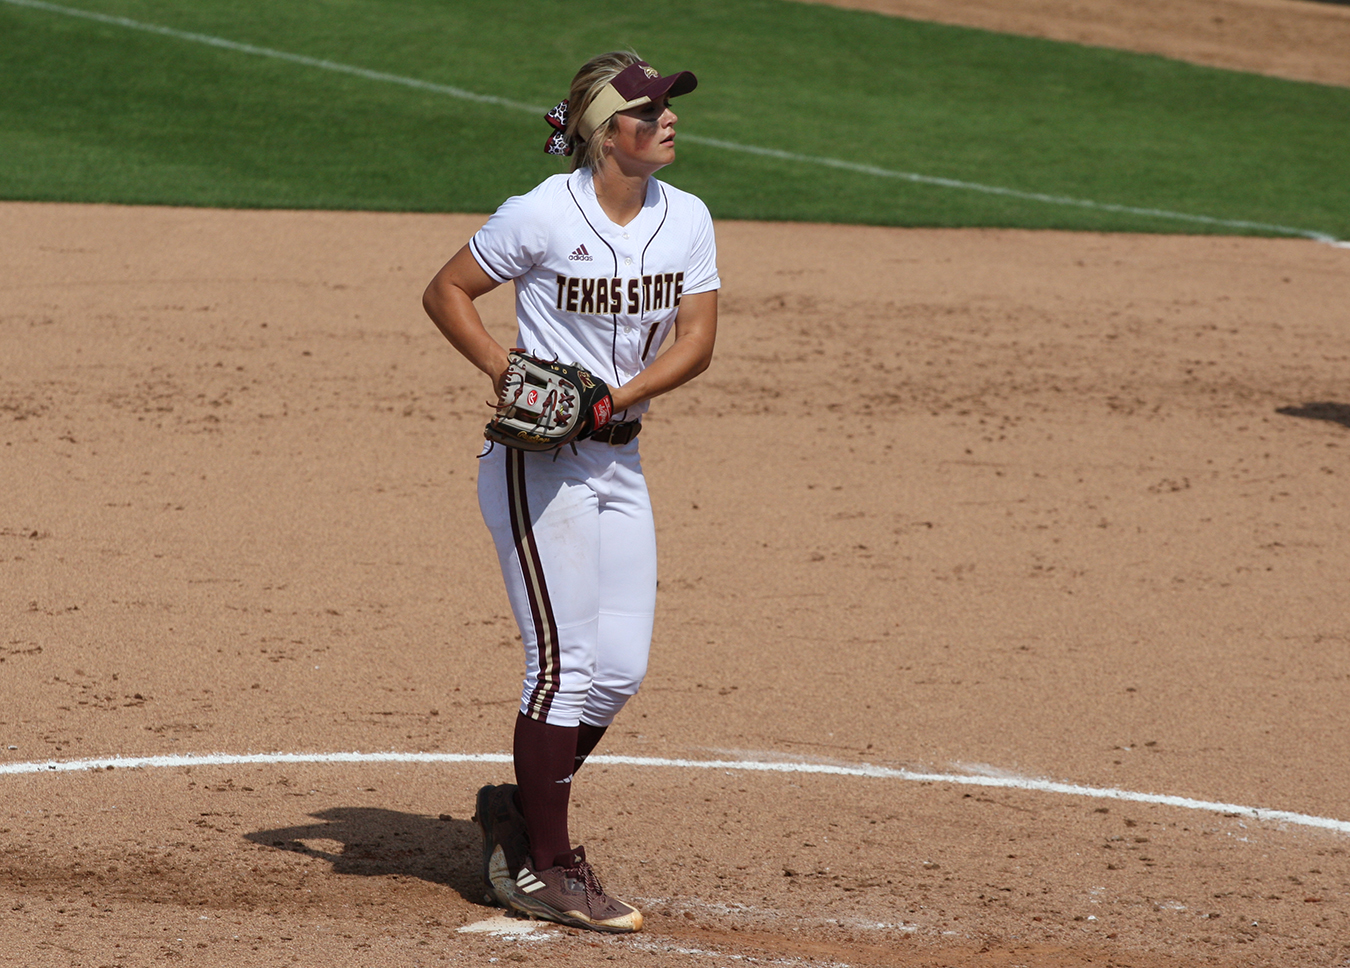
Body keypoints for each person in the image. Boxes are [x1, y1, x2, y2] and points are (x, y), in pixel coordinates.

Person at [422, 51, 719, 933]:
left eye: (668, 106)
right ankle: (545, 865)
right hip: (537, 465)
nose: (668, 118)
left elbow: (696, 341)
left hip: (620, 458)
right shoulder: (543, 214)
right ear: (602, 132)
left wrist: (610, 400)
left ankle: (518, 813)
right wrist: (512, 376)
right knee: (562, 666)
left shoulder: (687, 217)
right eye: (649, 109)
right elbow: (447, 291)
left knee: (619, 669)